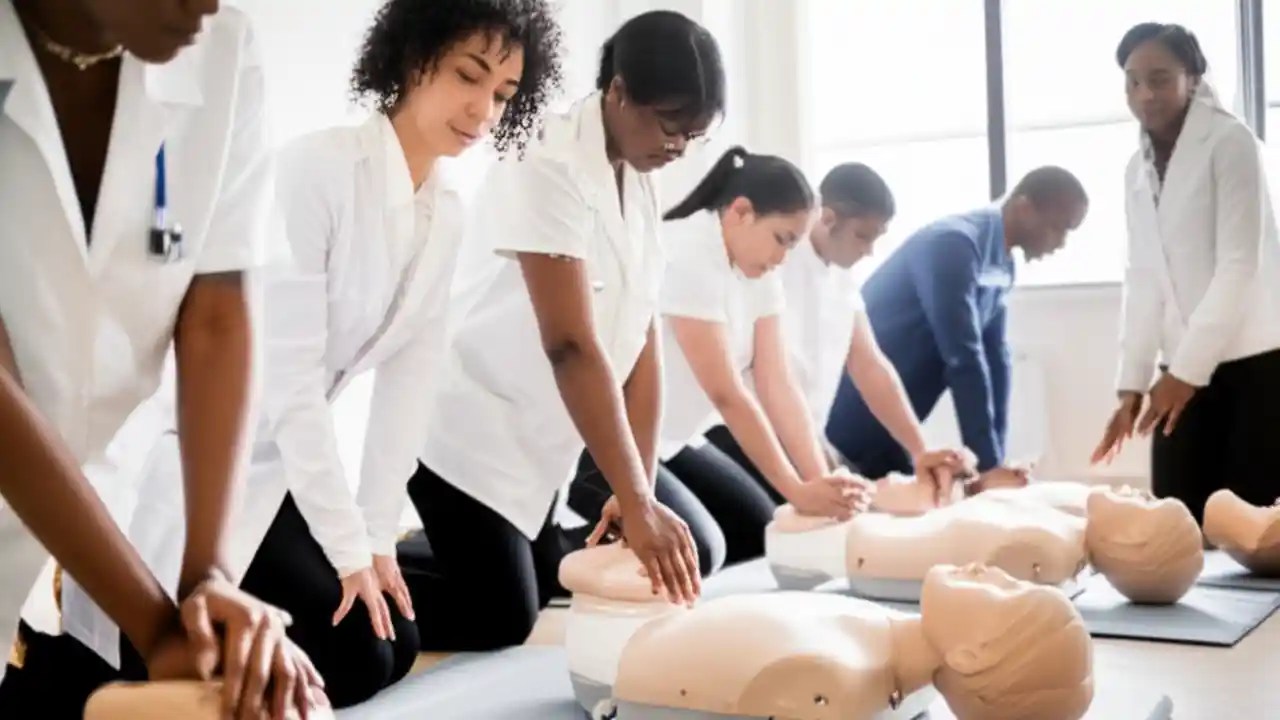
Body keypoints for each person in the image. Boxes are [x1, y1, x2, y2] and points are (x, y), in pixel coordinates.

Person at [191, 0, 560, 707]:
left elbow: (408, 384)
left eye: (503, 95)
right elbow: (289, 384)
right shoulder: (315, 171)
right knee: (360, 654)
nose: (483, 110)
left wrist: (377, 539)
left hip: (283, 468)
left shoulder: (445, 212)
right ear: (411, 58)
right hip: (217, 461)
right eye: (467, 76)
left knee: (399, 643)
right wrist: (347, 548)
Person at [0, 0, 324, 717]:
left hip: (64, 513)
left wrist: (209, 575)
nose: (208, 3)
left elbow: (215, 312)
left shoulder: (223, 50)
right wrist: (153, 623)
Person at [402, 10, 723, 652]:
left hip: (541, 448)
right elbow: (570, 344)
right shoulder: (547, 157)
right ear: (619, 90)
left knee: (563, 575)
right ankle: (332, 573)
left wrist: (636, 488)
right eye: (670, 126)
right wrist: (634, 502)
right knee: (500, 619)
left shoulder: (639, 178)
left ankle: (426, 551)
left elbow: (640, 341)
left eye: (694, 135)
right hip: (469, 436)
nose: (679, 147)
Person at [1092, 23, 1280, 525]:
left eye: (1159, 78)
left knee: (1256, 531)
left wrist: (1185, 374)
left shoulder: (1231, 142)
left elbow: (1240, 263)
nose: (1144, 94)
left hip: (1253, 366)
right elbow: (1142, 277)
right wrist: (1131, 385)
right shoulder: (1137, 168)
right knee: (1178, 522)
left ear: (1192, 78)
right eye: (1133, 81)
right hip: (1178, 369)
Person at [704, 162, 971, 507]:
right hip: (751, 433)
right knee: (796, 520)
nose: (869, 251)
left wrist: (920, 449)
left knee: (874, 505)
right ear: (827, 219)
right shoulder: (774, 260)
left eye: (876, 239)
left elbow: (871, 366)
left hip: (806, 434)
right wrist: (817, 477)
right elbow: (769, 380)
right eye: (863, 236)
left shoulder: (842, 278)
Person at [826, 167, 1088, 486]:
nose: (1060, 242)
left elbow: (995, 364)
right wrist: (987, 470)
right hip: (850, 420)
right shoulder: (953, 244)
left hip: (895, 430)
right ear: (1023, 208)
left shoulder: (1002, 265)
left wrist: (995, 461)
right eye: (1058, 228)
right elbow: (964, 359)